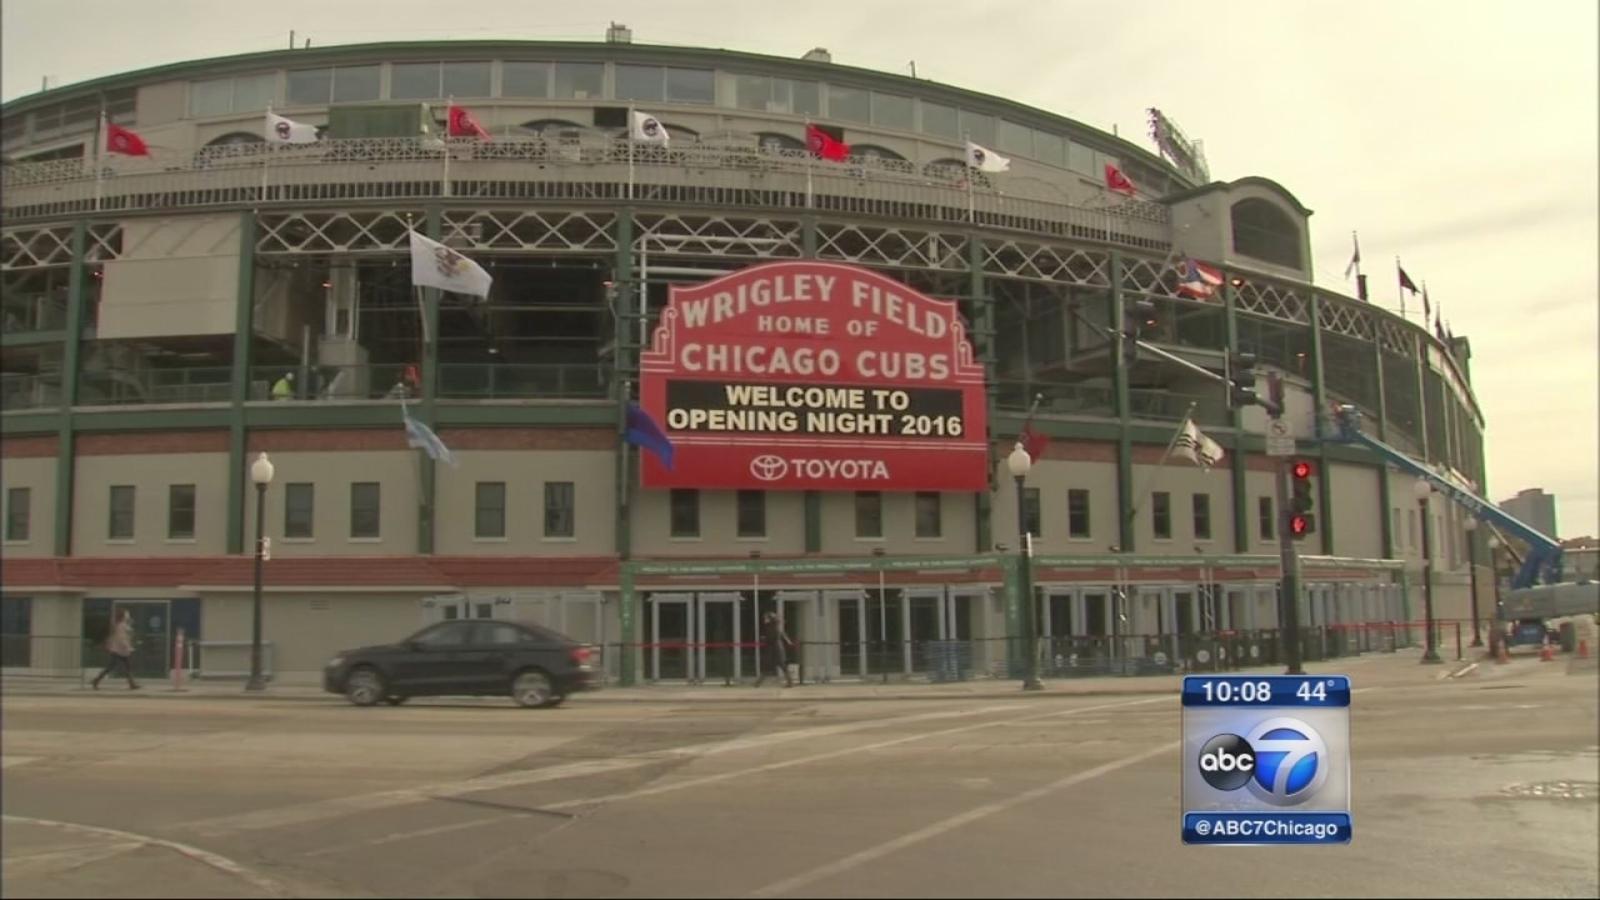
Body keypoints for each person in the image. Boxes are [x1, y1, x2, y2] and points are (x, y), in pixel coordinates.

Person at [92, 608, 139, 691]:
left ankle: (132, 684)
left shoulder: (121, 625)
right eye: (127, 614)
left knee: (126, 667)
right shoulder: (121, 625)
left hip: (119, 650)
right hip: (120, 651)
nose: (128, 616)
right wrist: (128, 647)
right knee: (113, 667)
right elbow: (122, 638)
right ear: (123, 616)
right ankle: (96, 681)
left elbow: (128, 633)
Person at [754, 611, 795, 688]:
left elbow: (773, 637)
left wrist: (764, 639)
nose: (765, 619)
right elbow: (782, 634)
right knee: (771, 666)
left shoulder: (772, 627)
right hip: (774, 648)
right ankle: (758, 683)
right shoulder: (772, 626)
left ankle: (790, 682)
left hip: (775, 648)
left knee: (780, 665)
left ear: (771, 619)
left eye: (767, 618)